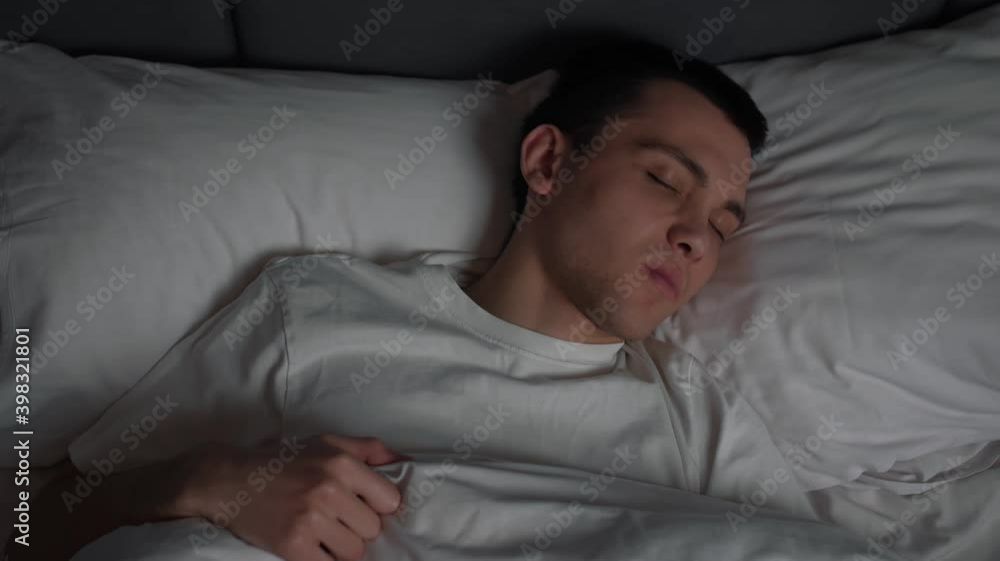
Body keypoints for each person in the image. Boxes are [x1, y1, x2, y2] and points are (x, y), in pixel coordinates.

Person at [8, 38, 807, 561]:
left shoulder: (705, 417)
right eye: (666, 181)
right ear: (549, 163)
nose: (696, 238)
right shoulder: (322, 311)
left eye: (722, 228)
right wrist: (210, 483)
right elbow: (26, 524)